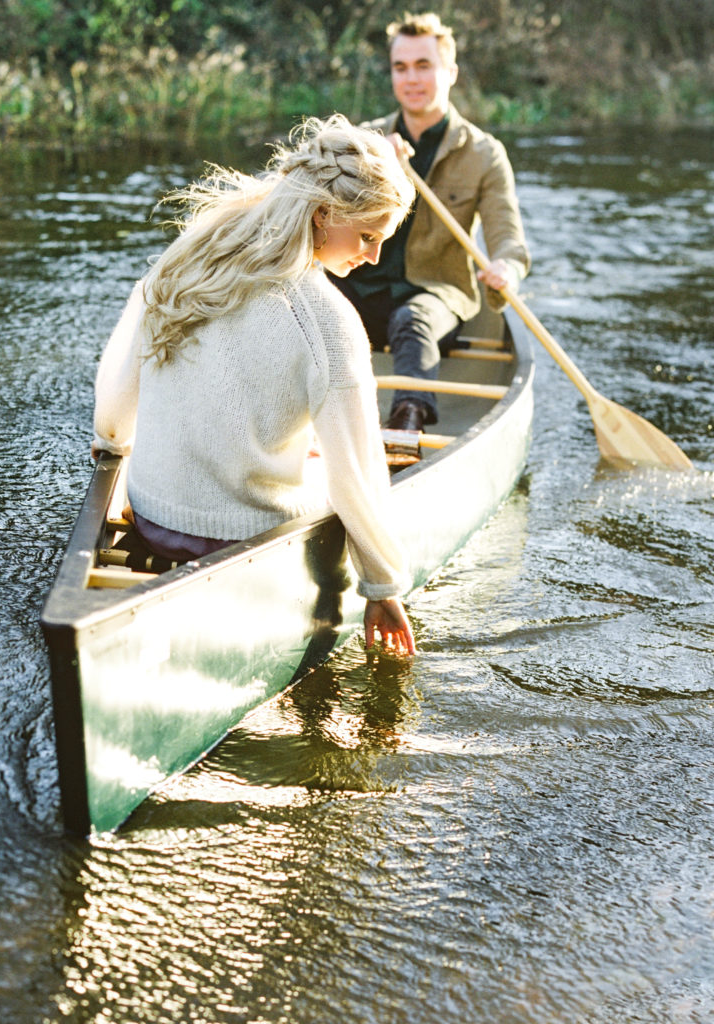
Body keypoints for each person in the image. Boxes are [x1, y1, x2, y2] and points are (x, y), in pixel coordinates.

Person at [92, 115, 416, 655]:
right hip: (237, 535)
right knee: (337, 468)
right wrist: (384, 585)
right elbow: (357, 477)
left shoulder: (189, 256)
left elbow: (119, 398)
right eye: (367, 236)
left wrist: (112, 442)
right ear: (322, 215)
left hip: (151, 515)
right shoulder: (328, 319)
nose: (374, 257)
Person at [330, 12, 530, 432]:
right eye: (401, 67)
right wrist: (373, 160)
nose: (411, 79)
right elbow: (320, 215)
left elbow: (508, 240)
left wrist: (506, 269)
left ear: (450, 72)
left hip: (435, 293)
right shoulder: (365, 140)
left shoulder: (484, 154)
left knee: (412, 321)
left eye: (424, 66)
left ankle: (406, 427)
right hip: (361, 282)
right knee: (303, 297)